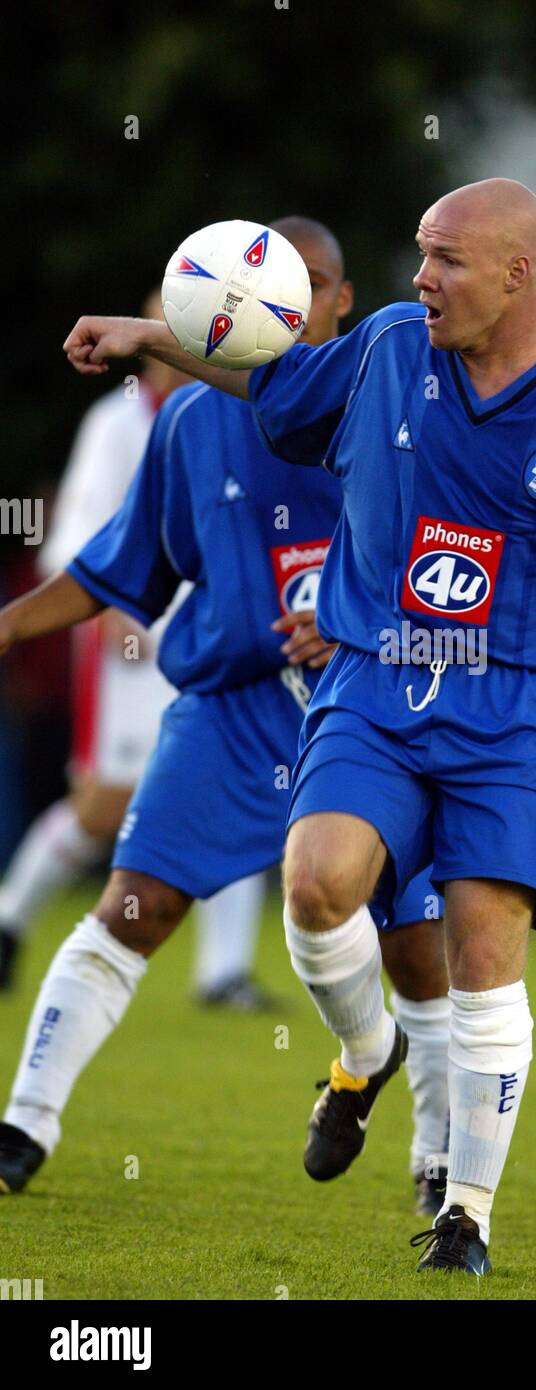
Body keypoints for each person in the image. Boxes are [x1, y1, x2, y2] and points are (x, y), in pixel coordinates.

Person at [60, 178, 536, 1275]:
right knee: (316, 881)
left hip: (517, 707)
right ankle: (364, 1048)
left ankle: (464, 1213)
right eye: (418, 254)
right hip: (376, 680)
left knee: (481, 950)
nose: (419, 277)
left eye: (445, 259)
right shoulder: (385, 348)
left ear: (518, 273)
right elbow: (271, 378)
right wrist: (151, 331)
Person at [0, 217, 450, 1215]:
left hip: (370, 708)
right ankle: (24, 1121)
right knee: (132, 906)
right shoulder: (190, 424)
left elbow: (458, 568)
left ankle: (435, 1157)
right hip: (230, 708)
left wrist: (361, 621)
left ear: (338, 302)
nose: (280, 309)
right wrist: (9, 626)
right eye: (257, 291)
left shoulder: (394, 408)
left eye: (313, 284)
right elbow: (116, 568)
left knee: (417, 947)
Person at [0, 294, 271, 1012]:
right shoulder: (119, 422)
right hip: (130, 646)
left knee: (239, 784)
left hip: (220, 640)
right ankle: (7, 920)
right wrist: (118, 614)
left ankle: (224, 973)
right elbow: (76, 539)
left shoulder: (253, 415)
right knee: (102, 809)